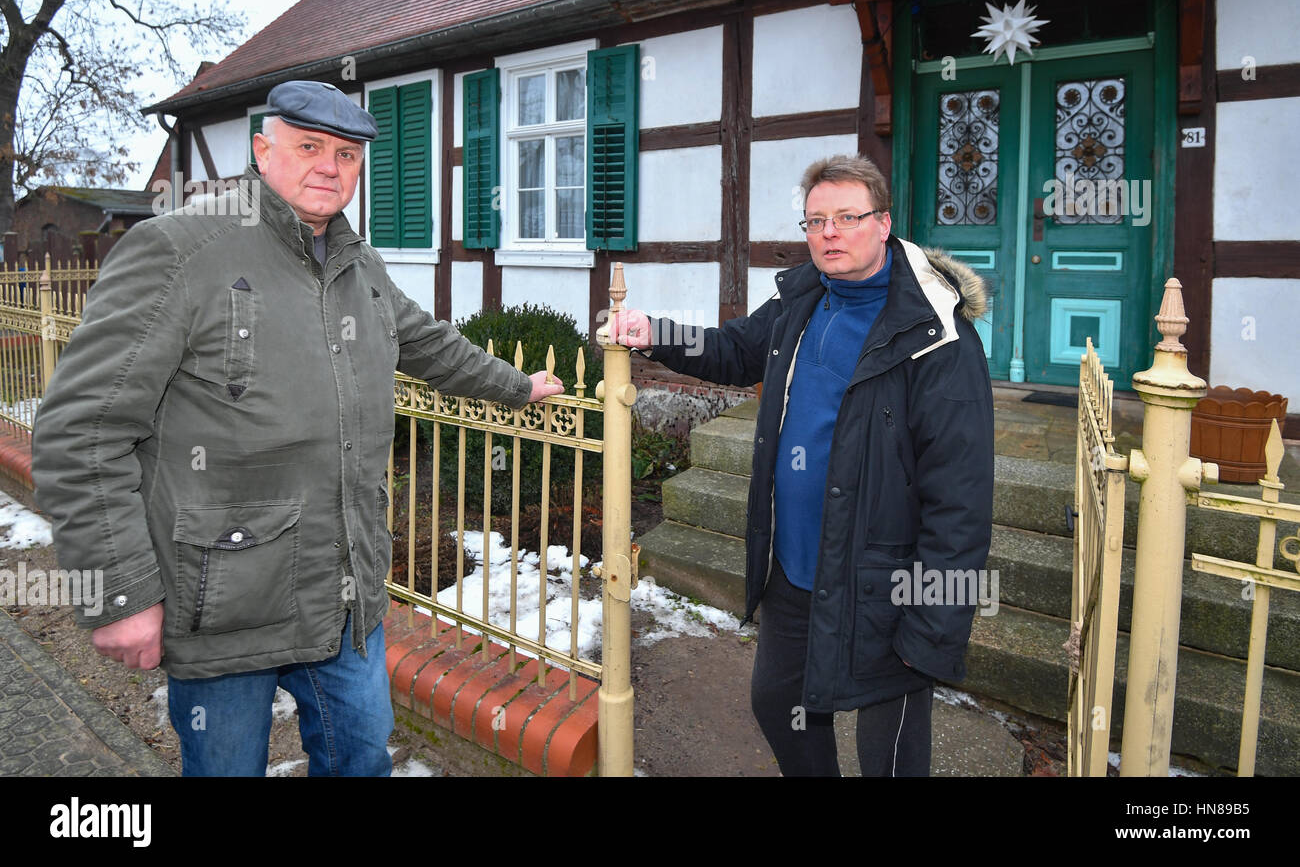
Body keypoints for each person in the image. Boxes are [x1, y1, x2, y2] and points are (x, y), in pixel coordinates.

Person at [31, 80, 563, 777]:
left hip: (342, 596)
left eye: (347, 155)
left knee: (361, 762)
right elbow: (82, 426)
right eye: (309, 146)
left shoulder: (358, 266)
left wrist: (519, 385)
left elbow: (433, 346)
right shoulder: (182, 250)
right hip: (225, 604)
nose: (329, 167)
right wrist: (120, 592)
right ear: (263, 149)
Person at [610, 154, 993, 776]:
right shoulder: (803, 299)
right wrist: (654, 332)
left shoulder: (936, 335)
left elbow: (962, 500)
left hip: (884, 582)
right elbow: (736, 351)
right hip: (794, 567)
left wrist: (933, 631)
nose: (829, 234)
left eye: (847, 217)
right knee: (777, 702)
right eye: (815, 221)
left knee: (890, 757)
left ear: (884, 223)